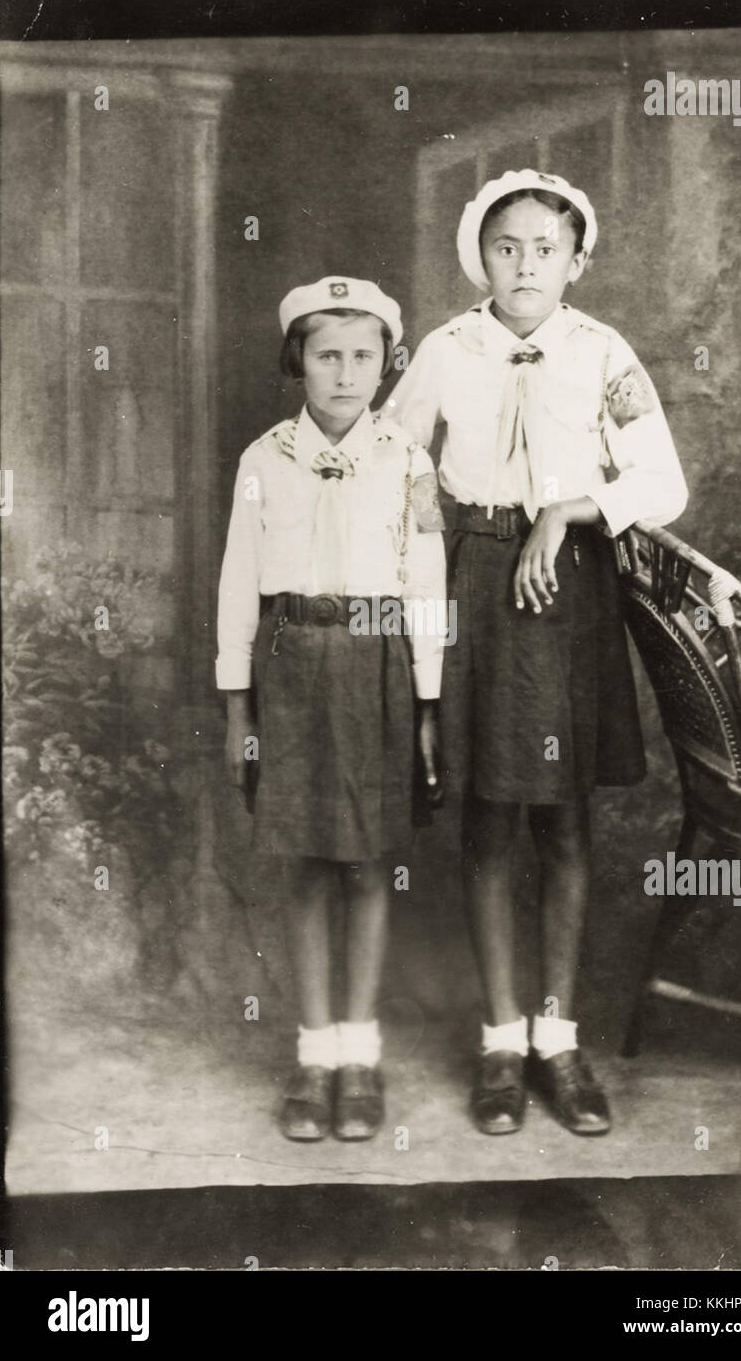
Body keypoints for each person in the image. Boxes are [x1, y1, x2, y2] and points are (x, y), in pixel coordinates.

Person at [384, 169, 687, 1136]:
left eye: (545, 249)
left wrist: (566, 509)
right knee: (487, 817)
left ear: (577, 260)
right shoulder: (445, 348)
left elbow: (663, 478)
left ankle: (558, 1041)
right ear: (481, 254)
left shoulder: (604, 353)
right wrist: (436, 533)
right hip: (475, 584)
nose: (525, 265)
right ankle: (500, 1044)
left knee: (560, 818)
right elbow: (394, 457)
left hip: (568, 593)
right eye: (507, 246)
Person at [216, 276, 446, 1142]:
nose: (346, 374)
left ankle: (361, 1057)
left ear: (388, 364)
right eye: (326, 356)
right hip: (289, 665)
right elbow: (240, 581)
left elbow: (427, 583)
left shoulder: (412, 463)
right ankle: (314, 1058)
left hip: (382, 663)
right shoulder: (261, 458)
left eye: (363, 356)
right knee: (308, 864)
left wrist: (427, 704)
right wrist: (238, 707)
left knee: (367, 862)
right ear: (297, 362)